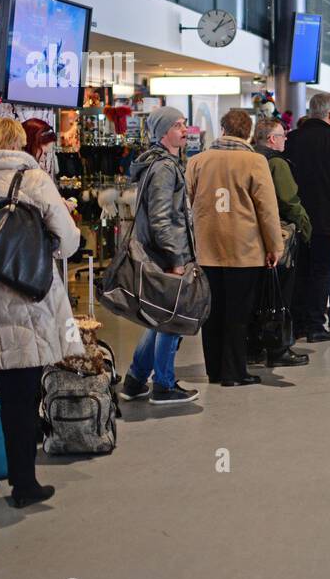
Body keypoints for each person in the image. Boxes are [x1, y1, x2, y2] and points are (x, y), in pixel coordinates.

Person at [0, 118, 82, 509]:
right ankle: (24, 485)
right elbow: (69, 241)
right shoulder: (34, 179)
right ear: (18, 142)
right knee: (19, 399)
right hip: (24, 299)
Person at [186, 109, 281, 386]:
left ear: (223, 129)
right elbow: (266, 209)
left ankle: (213, 369)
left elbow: (187, 204)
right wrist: (275, 246)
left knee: (211, 312)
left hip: (207, 249)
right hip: (244, 250)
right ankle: (234, 371)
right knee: (238, 313)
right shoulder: (255, 161)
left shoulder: (198, 161)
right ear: (248, 133)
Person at [121, 107, 201, 405]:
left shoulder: (157, 163)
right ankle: (164, 385)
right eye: (178, 125)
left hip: (159, 253)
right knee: (173, 319)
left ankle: (135, 380)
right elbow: (161, 218)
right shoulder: (165, 168)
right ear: (163, 131)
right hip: (168, 256)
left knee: (159, 318)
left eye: (184, 124)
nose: (184, 129)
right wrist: (176, 259)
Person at [284, 92, 330, 342]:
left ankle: (298, 324)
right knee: (320, 272)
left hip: (295, 219)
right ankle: (316, 325)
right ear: (329, 114)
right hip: (325, 221)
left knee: (299, 272)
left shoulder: (292, 139)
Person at [250, 117, 310, 367]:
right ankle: (280, 348)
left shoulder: (252, 158)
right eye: (283, 135)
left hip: (252, 237)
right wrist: (306, 226)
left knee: (258, 296)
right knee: (281, 294)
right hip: (278, 235)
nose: (286, 139)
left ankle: (254, 347)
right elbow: (289, 201)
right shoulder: (277, 164)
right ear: (272, 139)